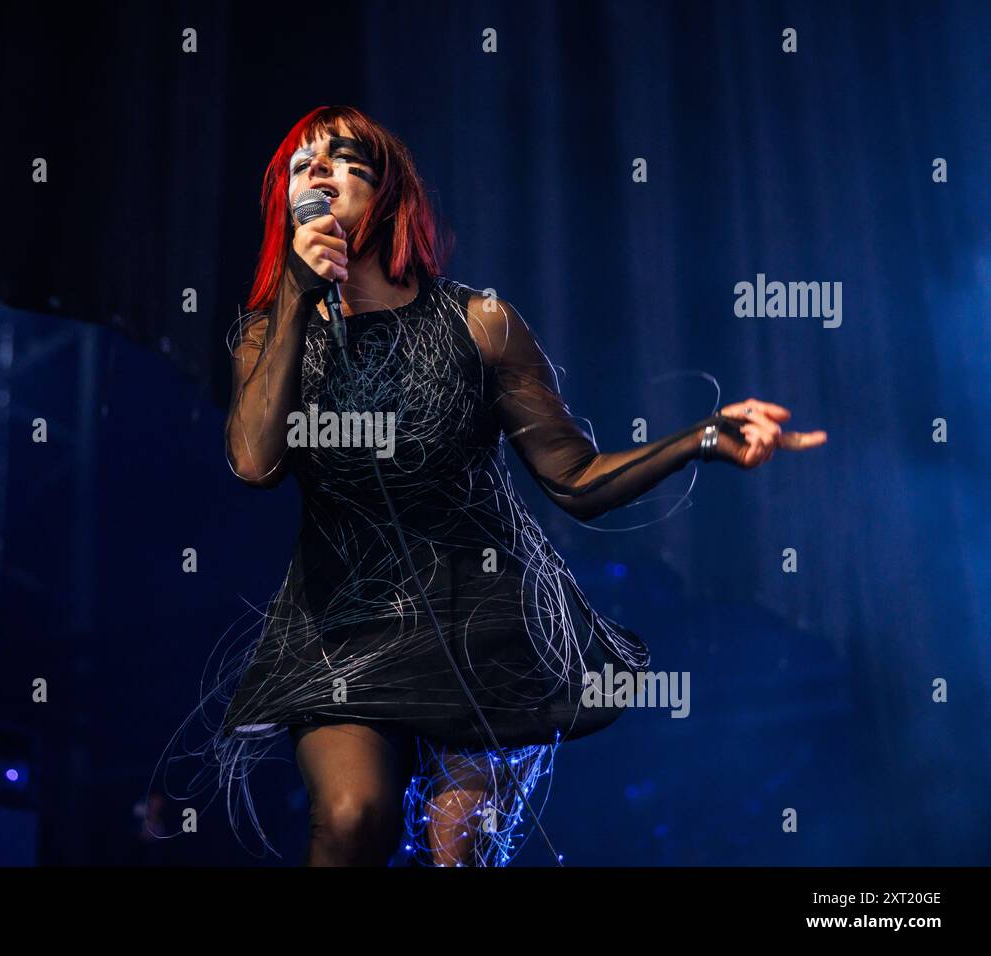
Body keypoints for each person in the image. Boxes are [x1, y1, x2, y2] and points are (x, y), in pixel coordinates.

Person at [211, 105, 826, 867]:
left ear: (388, 194)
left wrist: (698, 438)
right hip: (344, 623)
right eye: (303, 167)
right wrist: (299, 299)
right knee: (350, 815)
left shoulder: (481, 322)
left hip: (482, 620)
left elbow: (575, 479)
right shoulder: (267, 335)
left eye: (344, 160)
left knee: (456, 849)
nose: (319, 174)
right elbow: (254, 464)